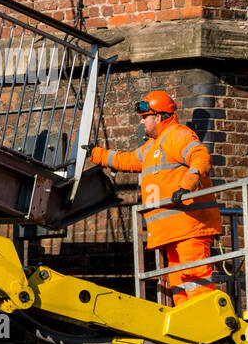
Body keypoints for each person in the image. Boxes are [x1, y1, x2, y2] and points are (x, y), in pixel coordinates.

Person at [87, 90, 224, 306]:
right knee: (180, 289)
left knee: (196, 284)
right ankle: (192, 333)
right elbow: (129, 160)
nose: (141, 123)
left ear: (158, 117)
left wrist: (186, 186)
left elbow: (201, 157)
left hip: (189, 228)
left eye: (144, 118)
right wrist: (96, 154)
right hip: (173, 231)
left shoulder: (177, 135)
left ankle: (212, 331)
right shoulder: (153, 146)